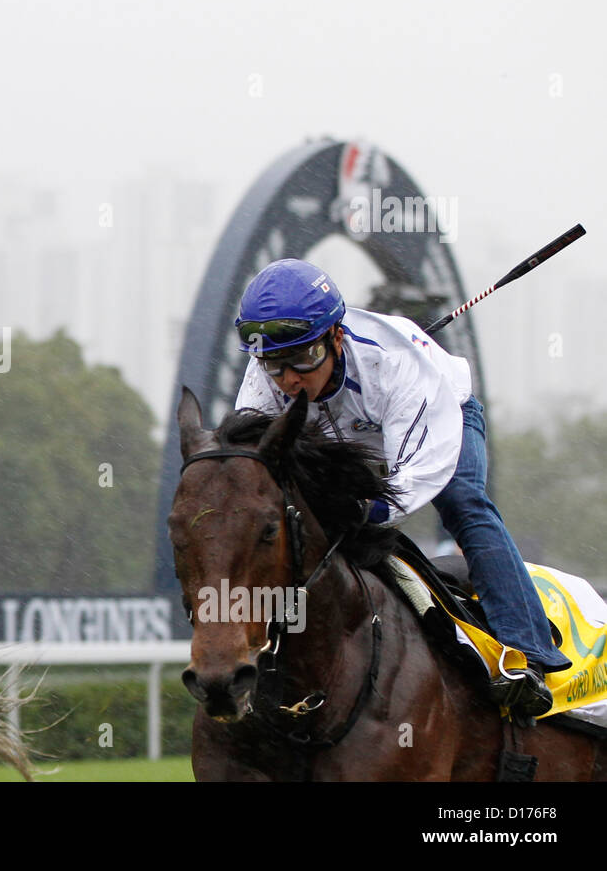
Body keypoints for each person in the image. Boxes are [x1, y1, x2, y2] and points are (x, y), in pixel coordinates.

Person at [233, 258, 566, 719]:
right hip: (348, 434)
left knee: (463, 503)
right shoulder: (264, 380)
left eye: (303, 360)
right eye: (274, 365)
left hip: (440, 417)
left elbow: (414, 476)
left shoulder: (394, 366)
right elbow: (254, 465)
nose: (289, 380)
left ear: (337, 335)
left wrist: (369, 511)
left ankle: (530, 654)